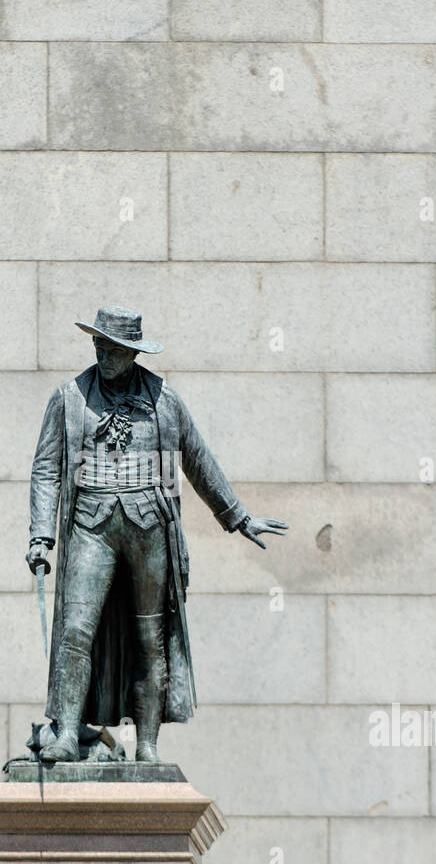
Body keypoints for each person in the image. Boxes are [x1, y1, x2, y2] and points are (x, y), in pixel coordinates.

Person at [26, 306, 287, 763]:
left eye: (114, 349)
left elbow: (198, 459)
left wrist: (238, 517)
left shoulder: (164, 399)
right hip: (90, 524)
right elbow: (46, 469)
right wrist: (41, 535)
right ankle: (68, 733)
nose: (104, 356)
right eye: (99, 347)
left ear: (133, 352)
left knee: (152, 636)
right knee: (75, 630)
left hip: (150, 528)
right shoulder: (68, 398)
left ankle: (147, 745)